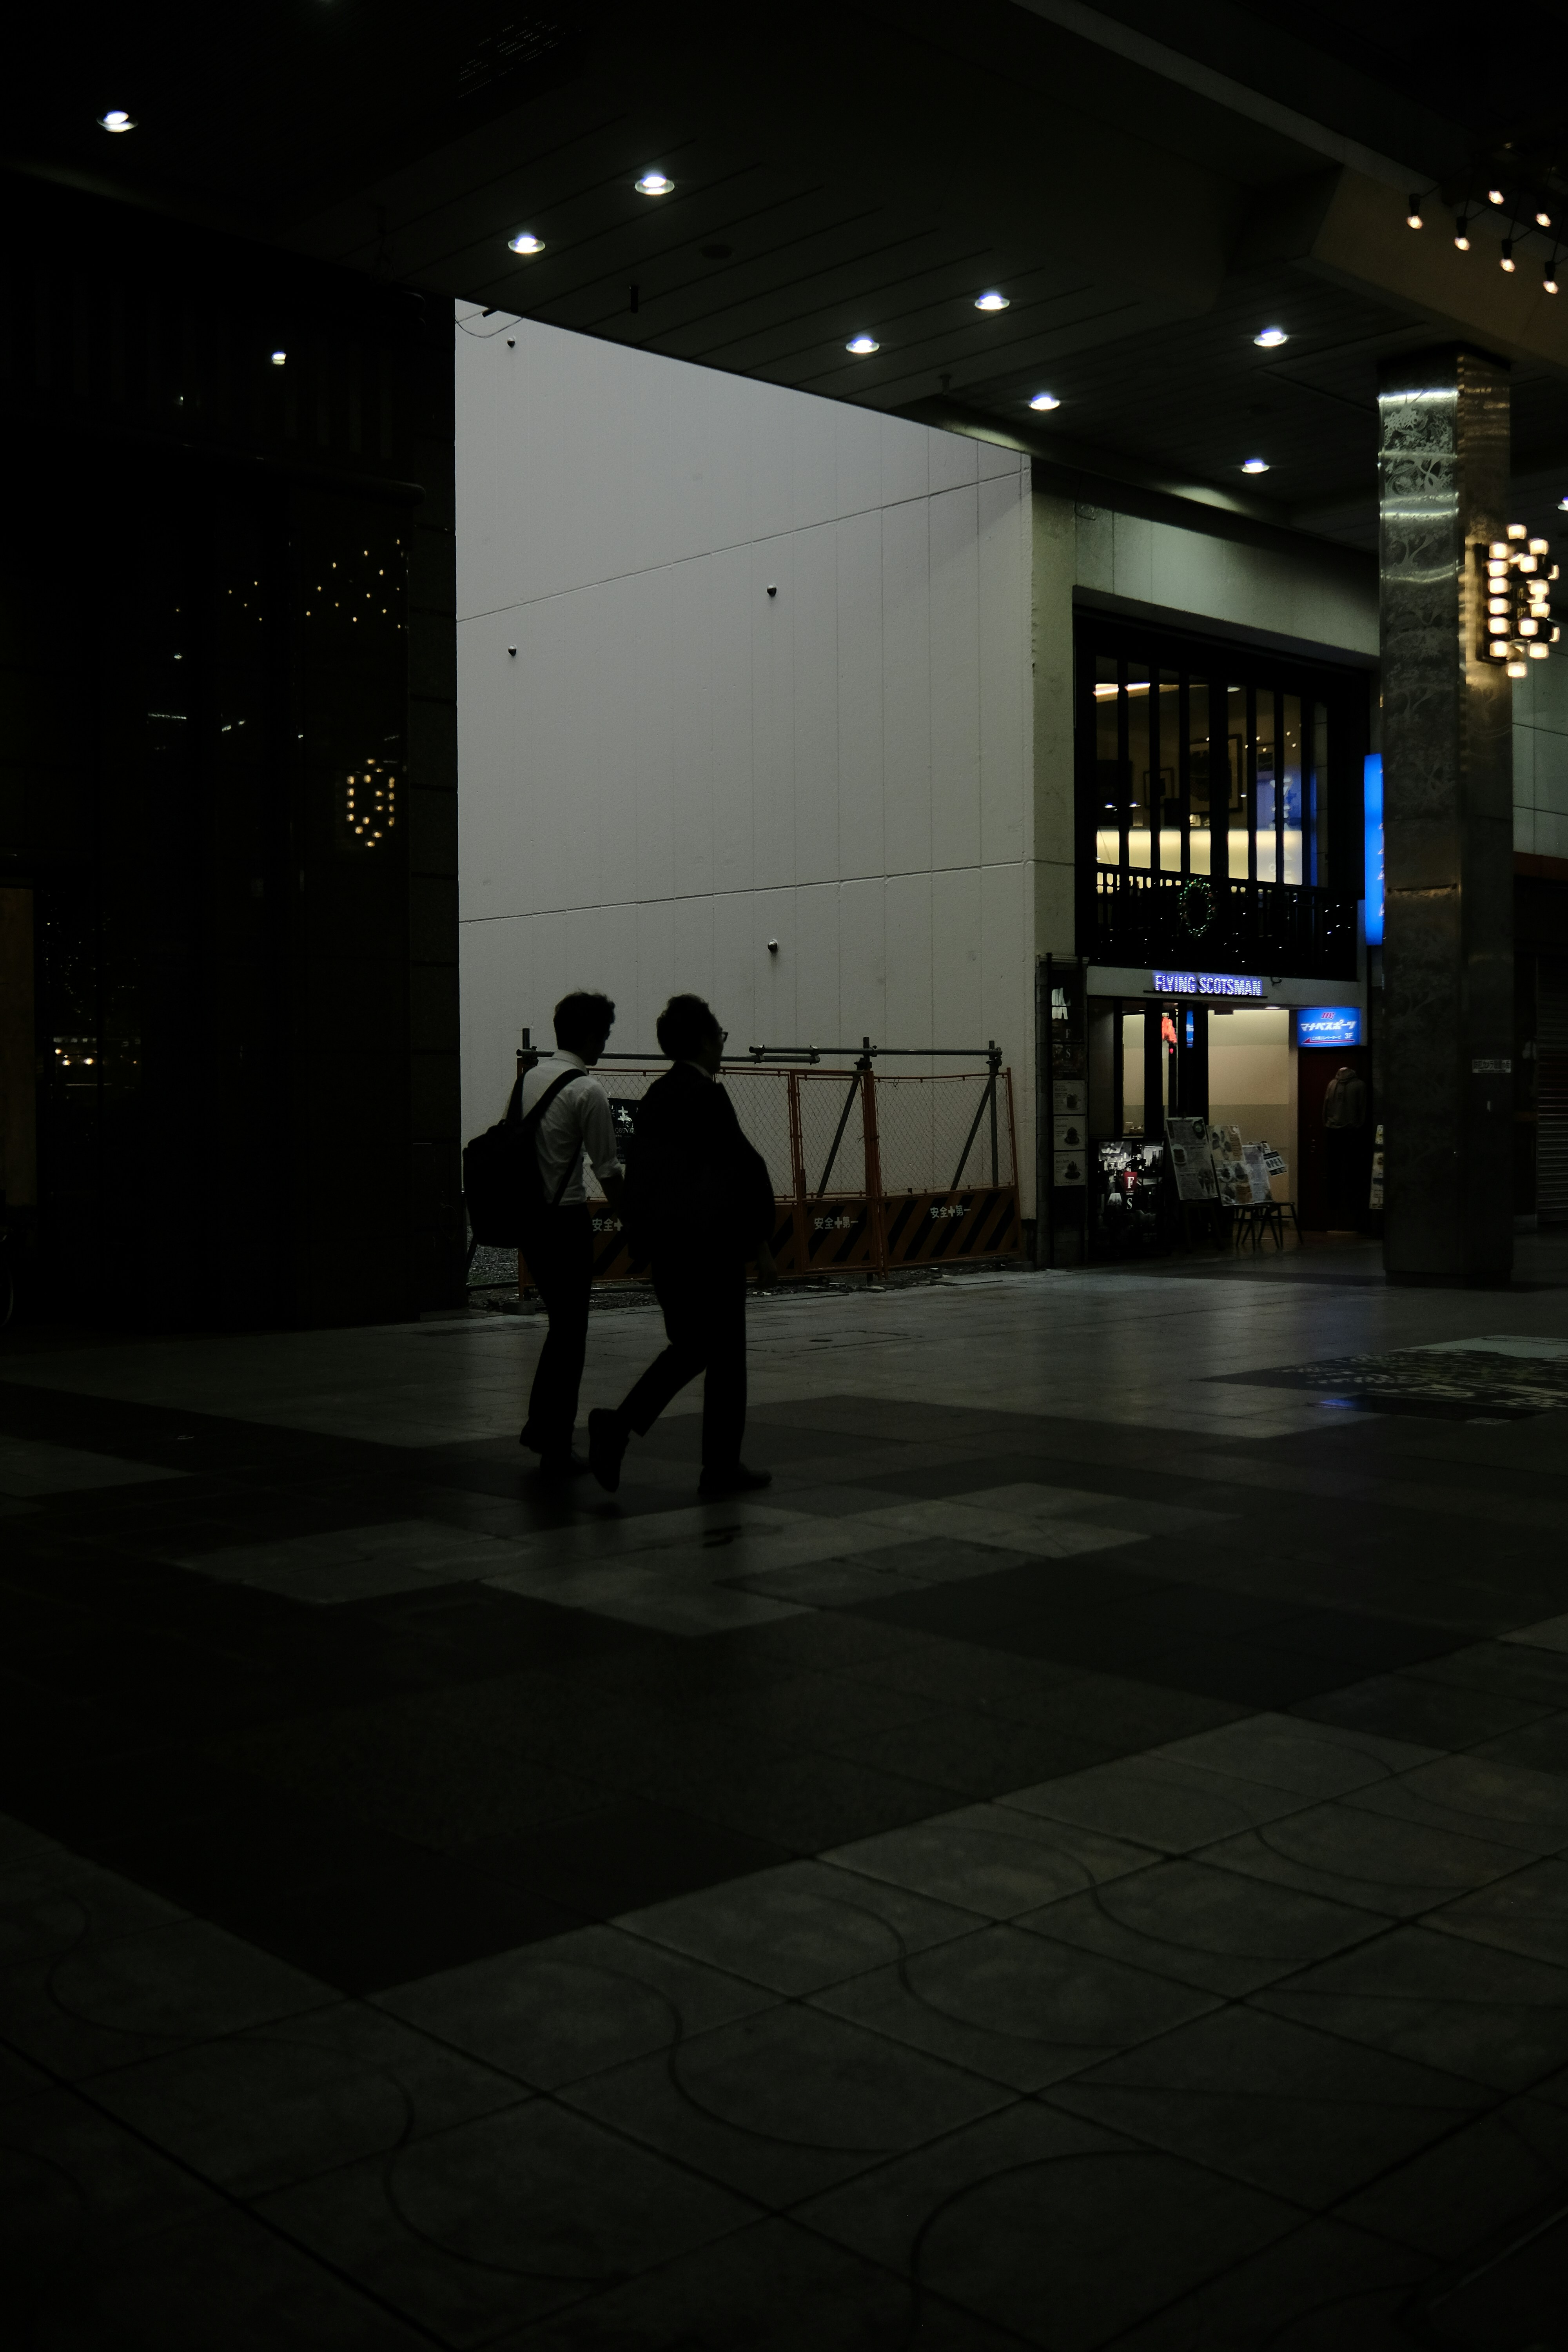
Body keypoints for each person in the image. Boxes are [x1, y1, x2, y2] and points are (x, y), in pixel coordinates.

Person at [588, 995, 777, 1498]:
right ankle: (717, 1466)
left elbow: (644, 1179)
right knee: (725, 1358)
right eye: (720, 1037)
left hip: (670, 1252)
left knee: (692, 1347)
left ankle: (622, 1427)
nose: (722, 1047)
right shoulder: (708, 1097)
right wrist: (760, 1242)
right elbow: (743, 1171)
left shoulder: (654, 1098)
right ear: (703, 1041)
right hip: (711, 1250)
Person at [517, 990, 625, 1478]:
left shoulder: (528, 1080)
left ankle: (545, 1430)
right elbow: (608, 1170)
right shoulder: (588, 1090)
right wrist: (638, 1224)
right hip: (565, 1223)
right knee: (571, 1333)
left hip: (530, 1222)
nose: (604, 1043)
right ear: (587, 1036)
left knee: (562, 1329)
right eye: (602, 1034)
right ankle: (552, 1439)